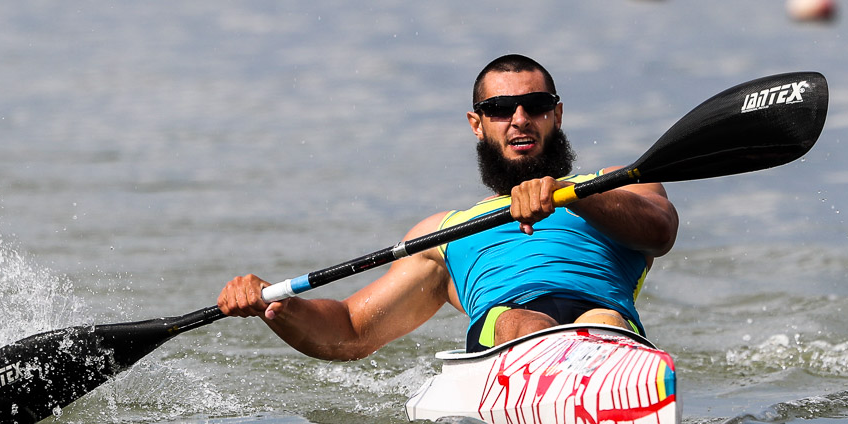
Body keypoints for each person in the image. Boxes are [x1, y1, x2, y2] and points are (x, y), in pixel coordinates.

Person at [217, 54, 679, 357]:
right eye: (499, 109)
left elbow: (660, 231)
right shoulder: (443, 233)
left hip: (607, 333)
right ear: (477, 124)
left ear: (556, 115)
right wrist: (275, 304)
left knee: (603, 320)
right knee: (523, 321)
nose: (519, 119)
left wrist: (567, 195)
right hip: (509, 335)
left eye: (534, 105)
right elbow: (351, 330)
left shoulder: (615, 184)